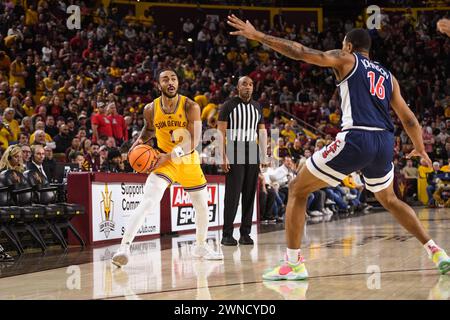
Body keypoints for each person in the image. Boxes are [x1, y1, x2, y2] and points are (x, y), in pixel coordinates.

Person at [227, 16, 450, 278]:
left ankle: (293, 264)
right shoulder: (388, 77)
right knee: (389, 199)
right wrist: (420, 148)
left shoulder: (347, 59)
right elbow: (409, 119)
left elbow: (301, 52)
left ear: (348, 46)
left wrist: (260, 36)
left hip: (357, 137)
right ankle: (436, 251)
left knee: (297, 189)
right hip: (384, 142)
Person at [112, 68, 223, 267]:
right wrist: (136, 144)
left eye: (173, 79)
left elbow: (195, 140)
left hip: (186, 159)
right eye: (165, 79)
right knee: (148, 202)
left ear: (178, 83)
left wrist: (169, 156)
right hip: (163, 160)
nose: (170, 82)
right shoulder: (150, 109)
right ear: (159, 84)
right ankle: (124, 248)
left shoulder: (191, 106)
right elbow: (148, 129)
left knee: (201, 206)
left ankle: (200, 246)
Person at [217, 76, 268, 246]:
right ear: (238, 87)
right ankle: (227, 234)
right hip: (234, 148)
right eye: (244, 84)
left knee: (249, 194)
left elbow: (262, 132)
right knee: (233, 195)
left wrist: (264, 154)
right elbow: (220, 132)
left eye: (251, 84)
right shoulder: (228, 105)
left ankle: (245, 233)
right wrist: (222, 155)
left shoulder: (257, 106)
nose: (248, 87)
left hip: (252, 150)